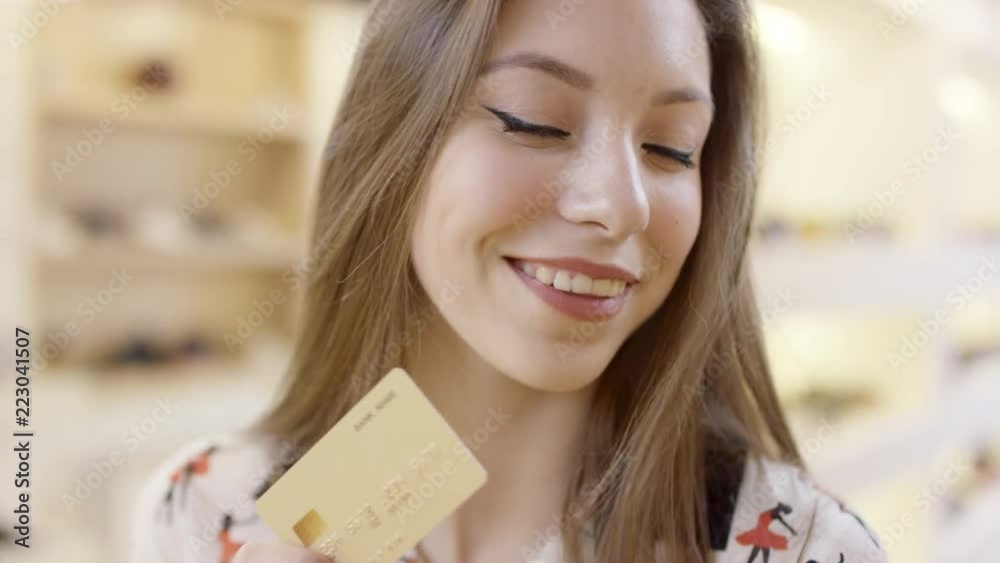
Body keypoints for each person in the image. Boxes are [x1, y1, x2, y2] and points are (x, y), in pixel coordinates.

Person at [132, 0, 888, 562]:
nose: (619, 204)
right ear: (394, 143)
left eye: (670, 148)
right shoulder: (204, 514)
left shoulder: (810, 546)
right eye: (534, 122)